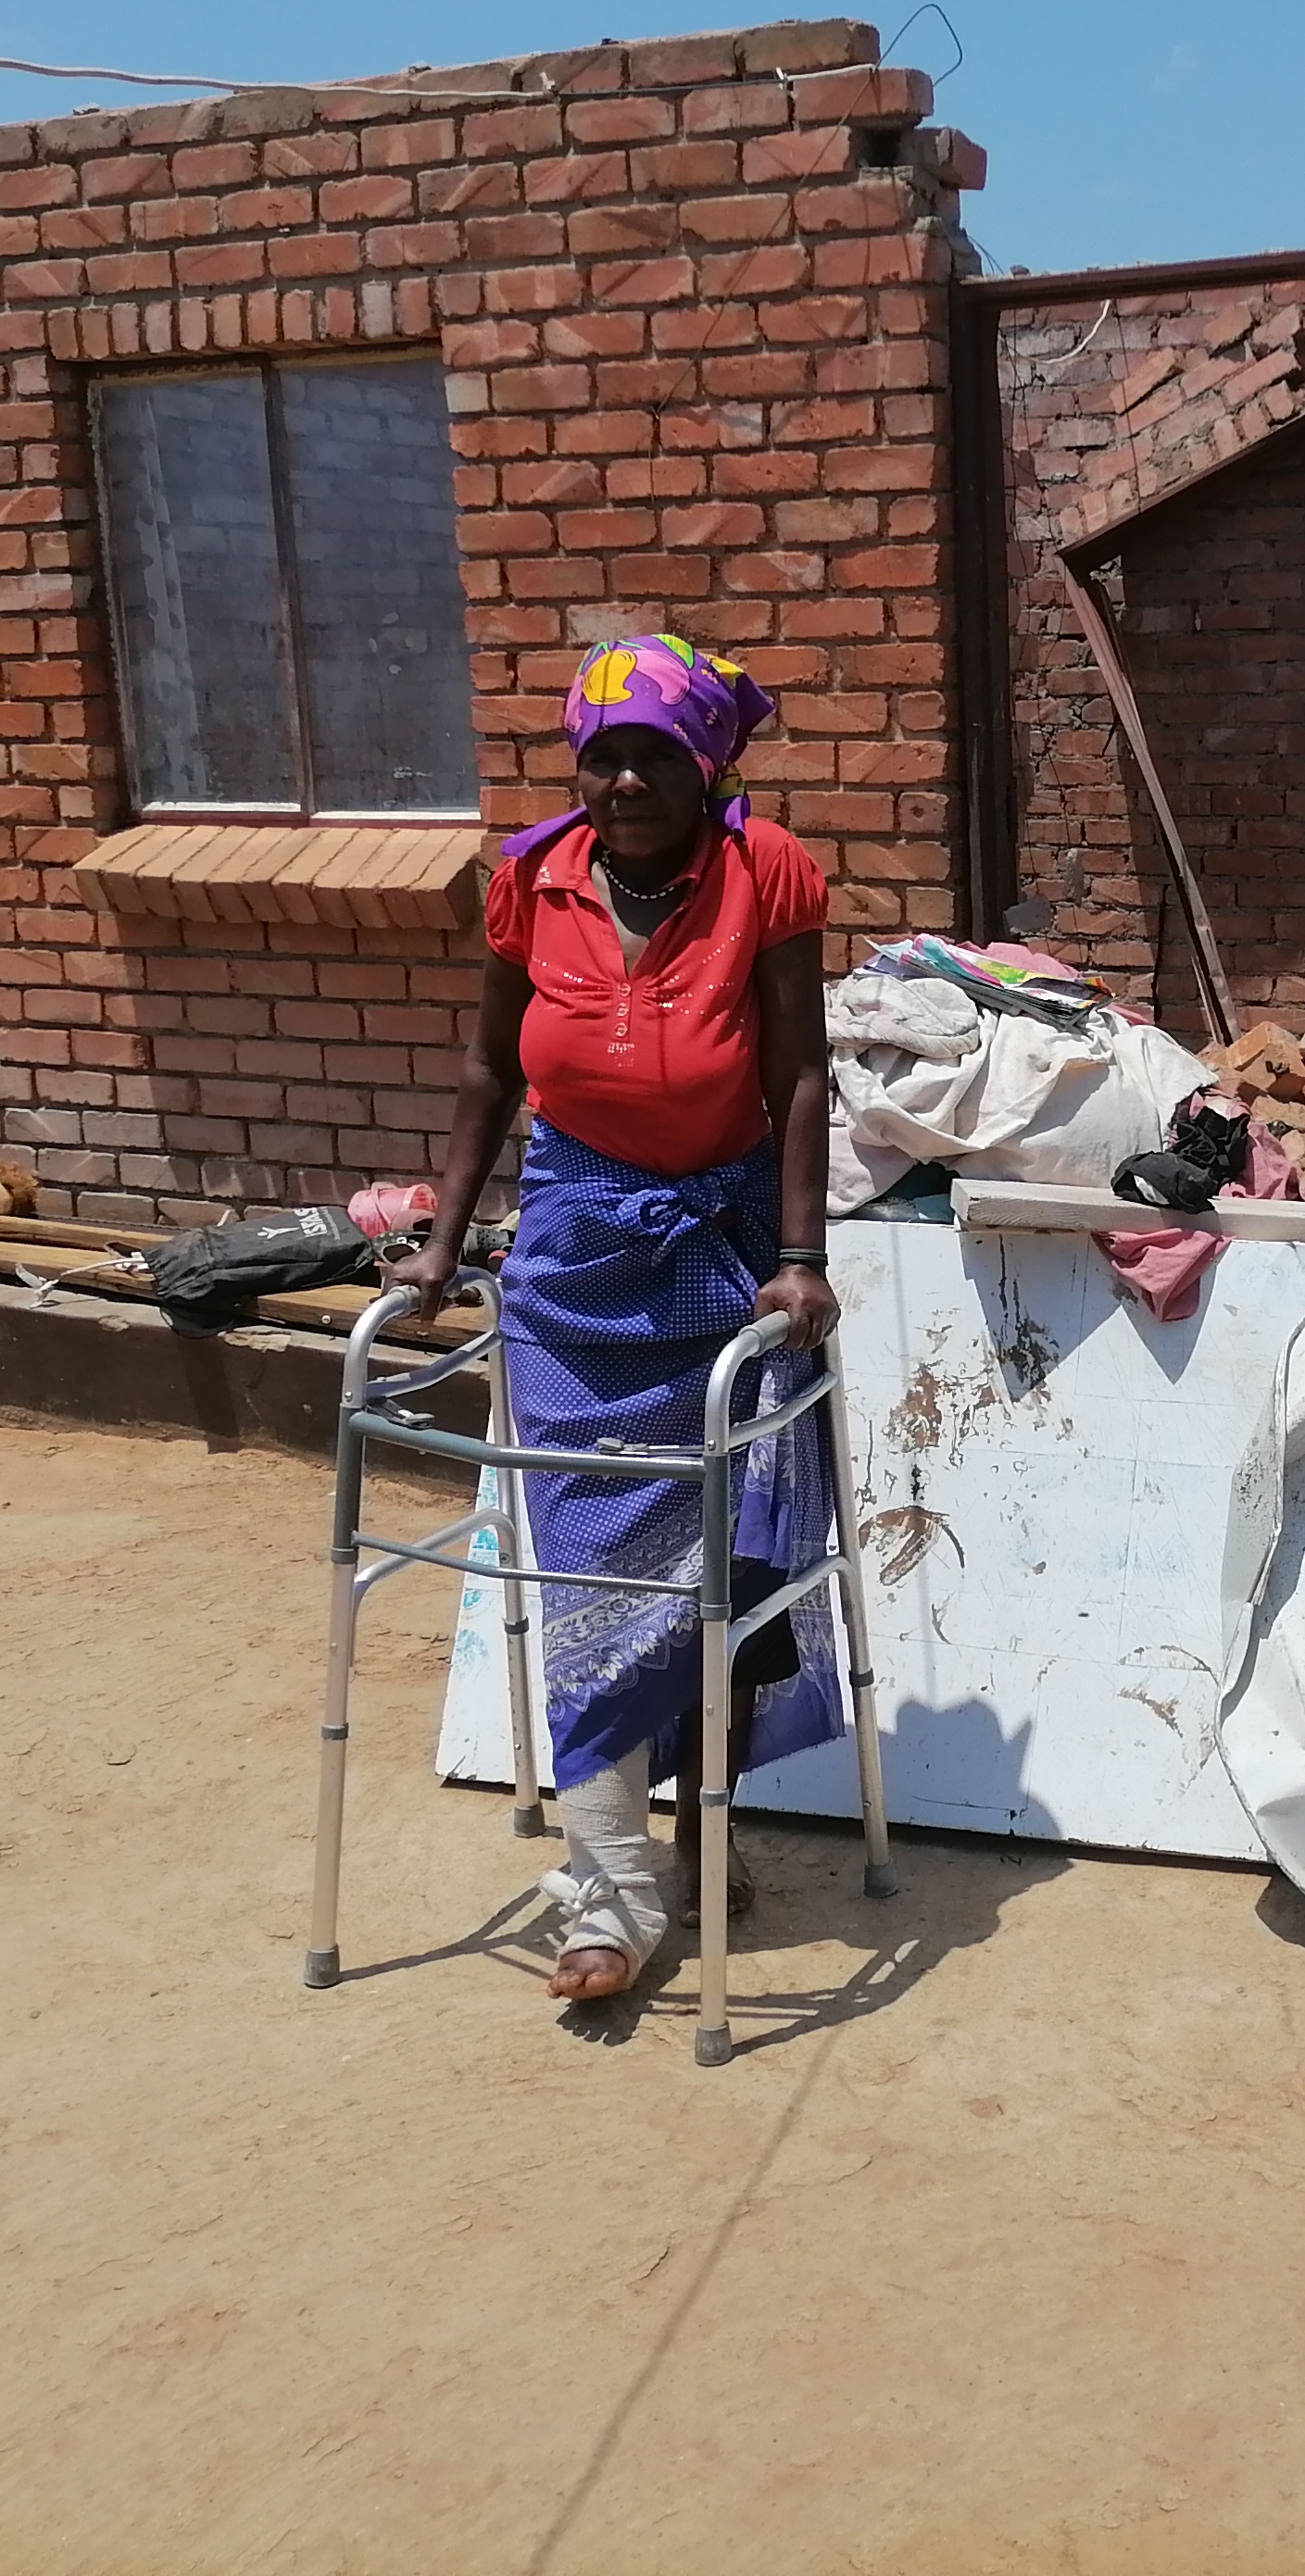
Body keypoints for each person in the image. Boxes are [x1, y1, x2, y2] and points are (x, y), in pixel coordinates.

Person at [385, 632, 845, 2006]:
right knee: (586, 1554)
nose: (626, 780)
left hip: (729, 1240)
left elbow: (805, 1077)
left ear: (709, 767)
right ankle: (610, 1884)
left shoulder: (768, 872)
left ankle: (706, 1822)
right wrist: (441, 1243)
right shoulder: (531, 879)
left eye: (654, 755)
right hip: (578, 1245)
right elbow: (485, 1071)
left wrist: (805, 1257)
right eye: (602, 758)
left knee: (729, 1551)